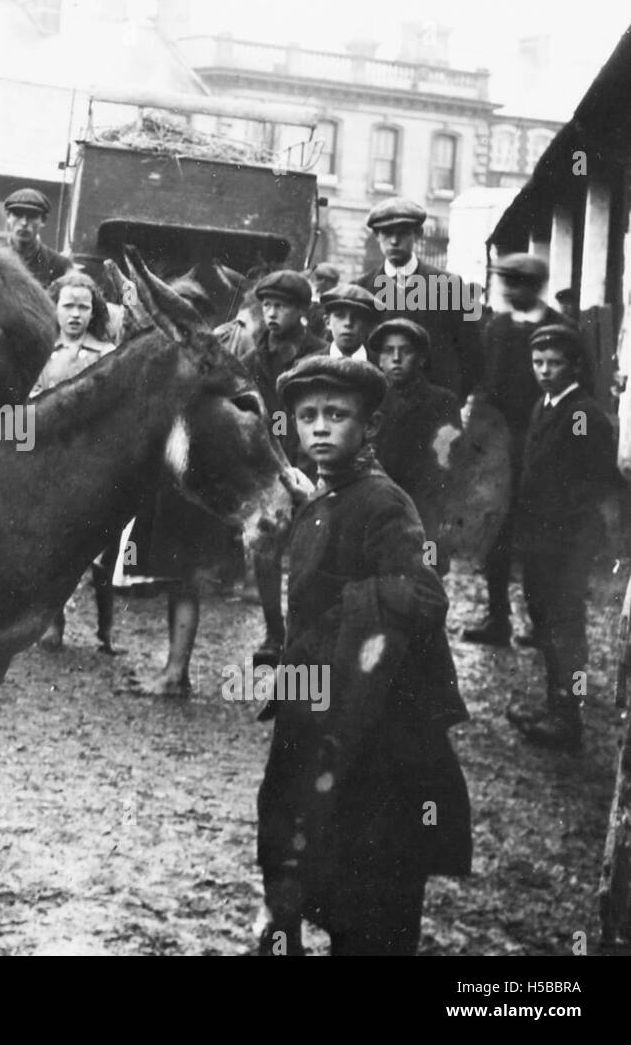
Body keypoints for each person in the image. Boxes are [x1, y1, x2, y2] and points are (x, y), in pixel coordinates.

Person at [256, 355, 471, 955]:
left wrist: (332, 629)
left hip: (374, 729)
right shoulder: (321, 496)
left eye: (337, 415)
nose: (320, 428)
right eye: (307, 416)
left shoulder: (384, 503)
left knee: (372, 885)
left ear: (369, 427)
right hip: (322, 715)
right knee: (303, 849)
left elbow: (423, 594)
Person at [507, 324, 619, 751]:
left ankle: (567, 718)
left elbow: (588, 478)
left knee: (564, 629)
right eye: (538, 362)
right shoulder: (545, 405)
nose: (545, 370)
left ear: (574, 365)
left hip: (566, 541)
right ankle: (553, 705)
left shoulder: (578, 414)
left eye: (554, 363)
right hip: (541, 538)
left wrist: (561, 524)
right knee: (544, 624)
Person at [463, 253, 571, 646]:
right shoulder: (497, 328)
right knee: (495, 535)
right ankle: (498, 618)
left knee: (539, 540)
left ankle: (541, 625)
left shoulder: (561, 330)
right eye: (506, 282)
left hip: (544, 449)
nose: (510, 290)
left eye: (518, 283)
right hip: (498, 450)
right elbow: (482, 387)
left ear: (536, 286)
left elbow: (579, 396)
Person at [224, 270, 325, 662]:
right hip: (268, 467)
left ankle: (304, 633)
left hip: (310, 464)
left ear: (301, 311)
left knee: (309, 556)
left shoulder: (316, 354)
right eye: (266, 305)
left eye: (281, 306)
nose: (271, 313)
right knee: (265, 550)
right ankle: (274, 632)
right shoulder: (252, 357)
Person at [30, 272, 116, 650]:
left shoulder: (107, 354)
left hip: (92, 459)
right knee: (51, 544)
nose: (76, 314)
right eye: (68, 305)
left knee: (100, 548)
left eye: (84, 306)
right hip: (50, 454)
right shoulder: (42, 351)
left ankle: (106, 628)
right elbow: (29, 399)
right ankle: (53, 622)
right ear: (55, 308)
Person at [357, 198, 483, 400]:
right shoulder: (362, 289)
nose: (394, 241)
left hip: (435, 407)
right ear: (377, 236)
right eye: (387, 233)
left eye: (403, 233)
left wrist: (455, 400)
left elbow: (471, 351)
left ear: (418, 234)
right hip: (379, 405)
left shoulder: (450, 284)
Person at [369, 317, 459, 563]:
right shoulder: (370, 401)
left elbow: (446, 463)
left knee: (424, 583)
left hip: (423, 510)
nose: (396, 358)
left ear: (421, 358)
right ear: (379, 359)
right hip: (376, 507)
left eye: (405, 351)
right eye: (388, 351)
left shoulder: (442, 403)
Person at [0, 188, 72, 289]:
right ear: (8, 217)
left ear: (43, 220)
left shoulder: (58, 264)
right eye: (18, 214)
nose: (24, 223)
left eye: (32, 216)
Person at [320, 283, 378, 361]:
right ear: (327, 322)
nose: (348, 323)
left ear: (368, 325)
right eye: (340, 315)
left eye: (357, 316)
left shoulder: (381, 366)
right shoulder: (308, 366)